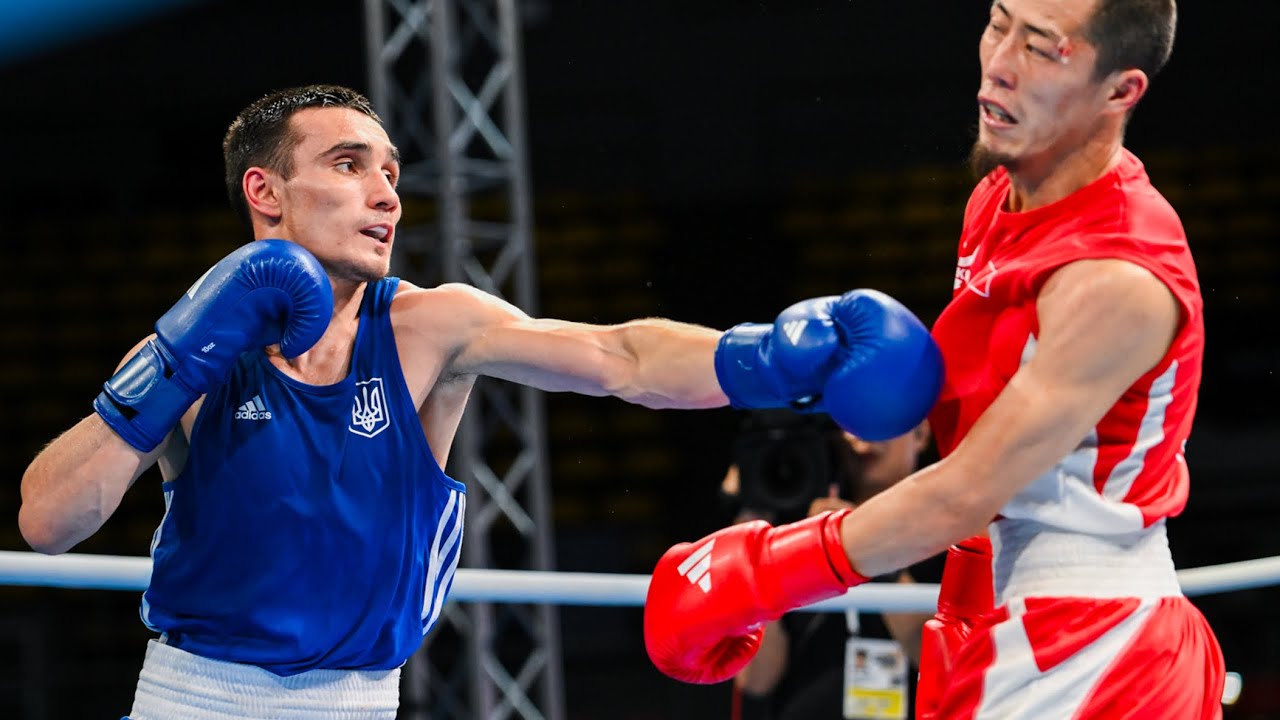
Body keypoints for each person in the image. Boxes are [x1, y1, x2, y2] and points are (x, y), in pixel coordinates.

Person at [16, 84, 944, 719]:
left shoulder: (429, 328)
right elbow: (48, 521)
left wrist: (770, 361)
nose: (387, 195)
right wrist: (173, 366)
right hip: (193, 698)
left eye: (389, 170)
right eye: (349, 166)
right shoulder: (196, 351)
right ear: (266, 191)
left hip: (363, 701)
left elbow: (617, 354)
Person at [644, 1, 1227, 718]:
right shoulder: (997, 199)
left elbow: (965, 491)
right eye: (997, 23)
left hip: (1092, 644)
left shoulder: (1116, 275)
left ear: (1121, 91)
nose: (999, 63)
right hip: (994, 610)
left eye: (1042, 47)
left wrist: (764, 572)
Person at [722, 415, 940, 720]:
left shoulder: (951, 527)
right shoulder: (799, 531)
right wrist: (753, 534)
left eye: (877, 419)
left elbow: (941, 659)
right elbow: (756, 681)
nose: (859, 440)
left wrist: (864, 546)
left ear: (921, 433)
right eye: (848, 423)